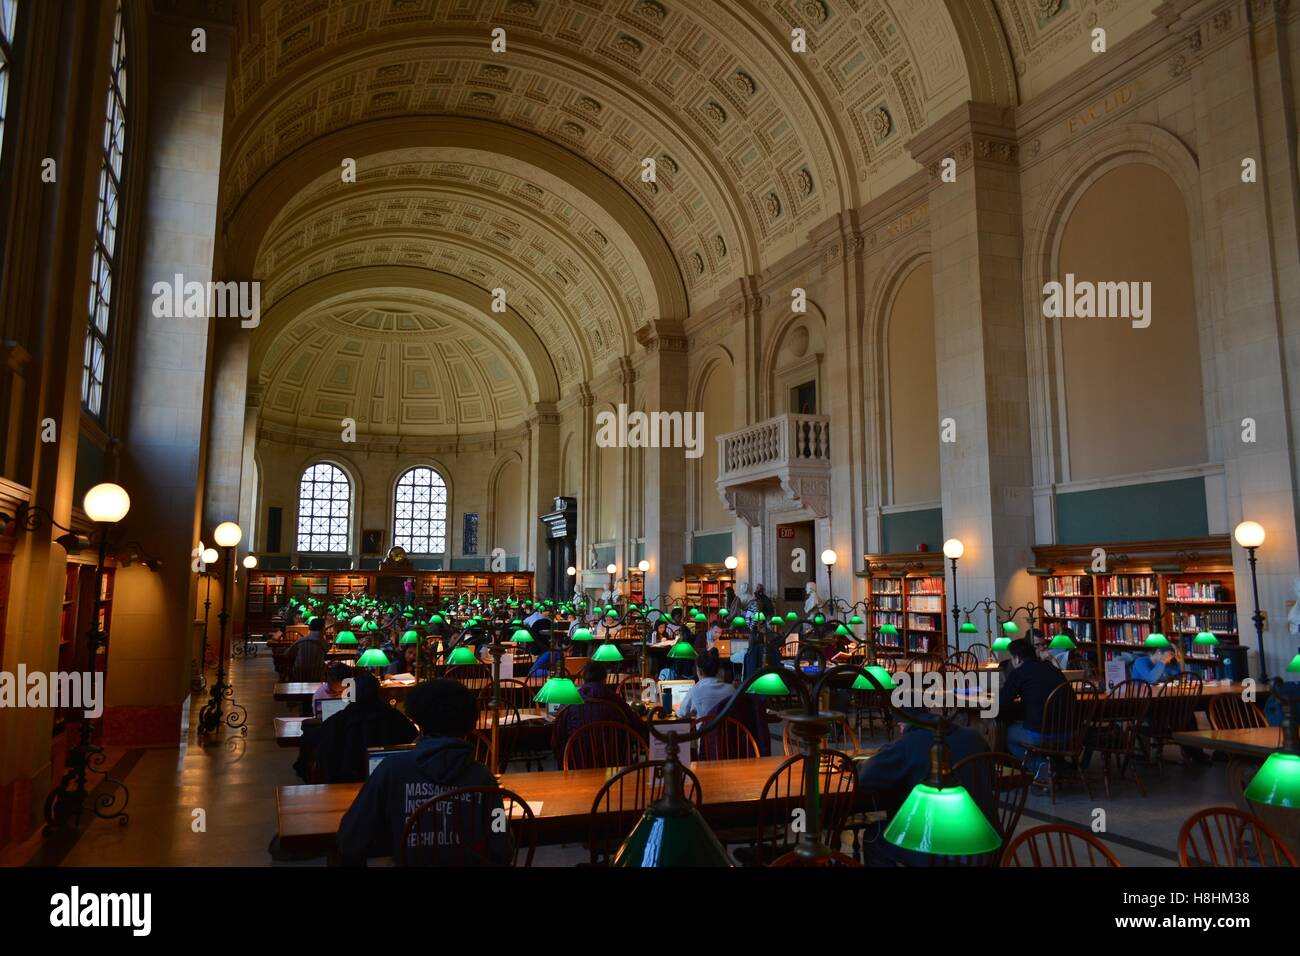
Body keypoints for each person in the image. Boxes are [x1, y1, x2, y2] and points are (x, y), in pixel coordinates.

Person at [336, 679, 504, 865]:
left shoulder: (391, 769)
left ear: (417, 722)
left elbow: (350, 840)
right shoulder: (482, 776)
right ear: (470, 725)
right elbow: (502, 843)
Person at [856, 707, 992, 865]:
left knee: (874, 836)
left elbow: (865, 777)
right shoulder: (975, 737)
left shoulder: (910, 743)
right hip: (986, 847)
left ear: (902, 725)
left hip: (939, 852)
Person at [311, 670, 419, 784]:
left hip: (342, 784)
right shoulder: (396, 718)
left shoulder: (336, 721)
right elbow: (414, 744)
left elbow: (320, 752)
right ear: (379, 693)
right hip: (389, 782)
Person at [998, 638, 1066, 780]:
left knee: (1006, 733)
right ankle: (1052, 764)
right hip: (1069, 731)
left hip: (1043, 734)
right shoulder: (1052, 669)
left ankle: (1039, 765)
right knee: (1031, 724)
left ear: (1016, 658)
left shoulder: (1019, 673)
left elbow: (1002, 702)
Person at [551, 662, 645, 759]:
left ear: (583, 680)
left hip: (577, 764)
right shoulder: (616, 701)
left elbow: (556, 739)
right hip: (613, 763)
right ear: (605, 679)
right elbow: (637, 726)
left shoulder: (569, 702)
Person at [676, 648, 735, 718]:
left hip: (705, 729)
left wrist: (676, 709)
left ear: (700, 671)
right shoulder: (731, 690)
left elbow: (682, 714)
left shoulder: (695, 691)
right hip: (726, 729)